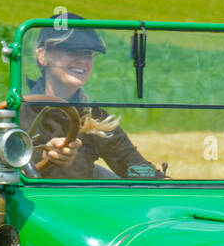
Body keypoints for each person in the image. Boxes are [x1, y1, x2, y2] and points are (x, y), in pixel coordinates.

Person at [23, 12, 155, 179]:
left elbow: (137, 169)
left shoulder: (95, 118)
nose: (82, 60)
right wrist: (46, 158)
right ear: (42, 55)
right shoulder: (17, 115)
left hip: (81, 205)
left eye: (88, 53)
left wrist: (171, 189)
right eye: (71, 50)